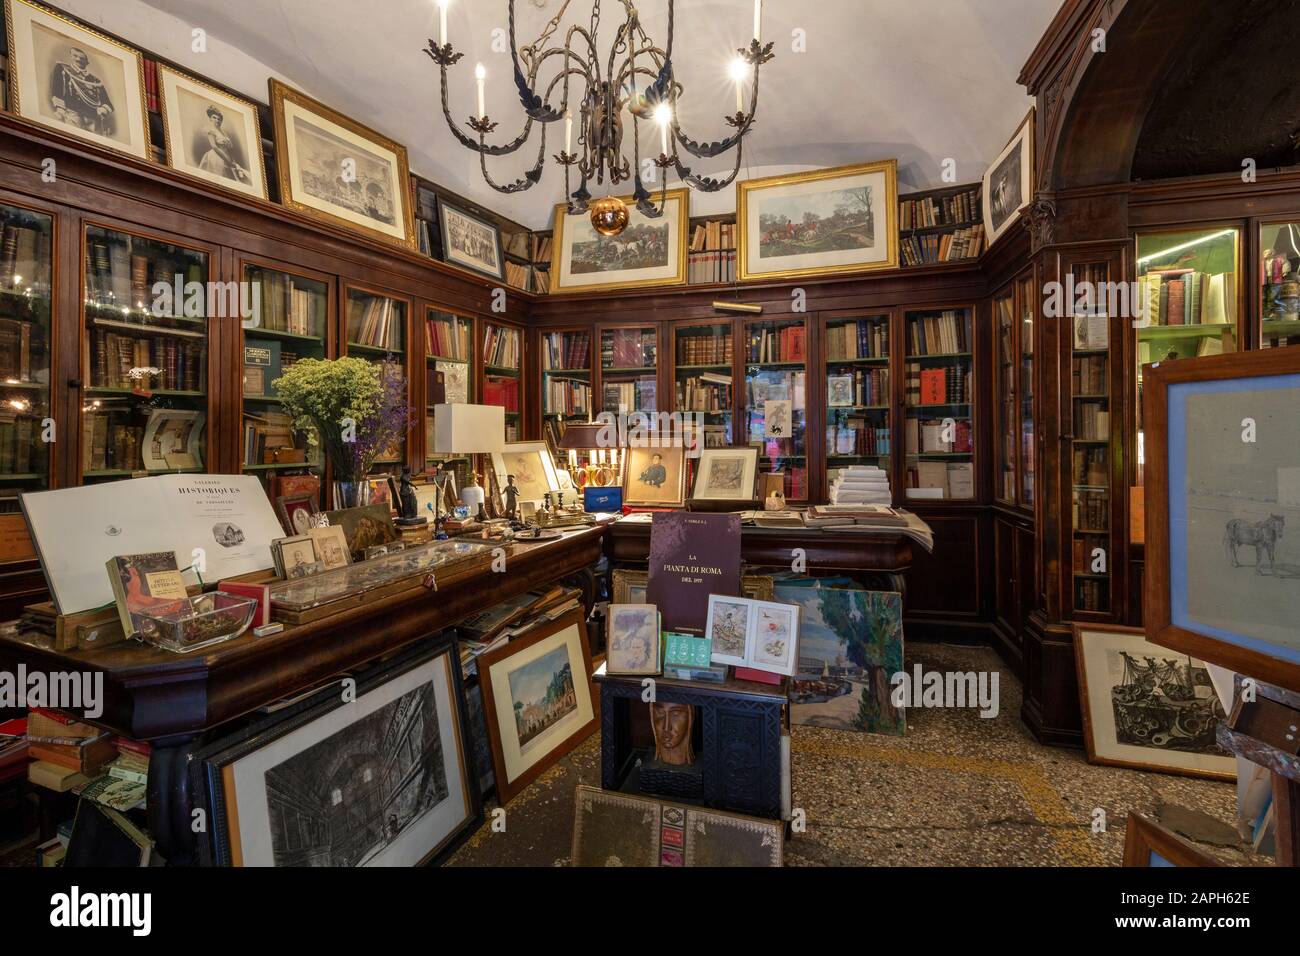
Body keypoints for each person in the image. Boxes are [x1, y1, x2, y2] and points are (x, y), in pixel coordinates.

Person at [49, 47, 114, 135]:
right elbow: (57, 89)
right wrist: (60, 109)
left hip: (93, 118)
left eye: (82, 58)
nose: (78, 59)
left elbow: (107, 103)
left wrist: (102, 110)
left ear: (87, 62)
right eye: (75, 56)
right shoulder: (63, 69)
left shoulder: (95, 81)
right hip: (72, 114)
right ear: (71, 56)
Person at [197, 105, 249, 183]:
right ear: (210, 118)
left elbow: (229, 148)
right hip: (216, 155)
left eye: (219, 119)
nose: (217, 120)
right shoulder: (210, 130)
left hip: (227, 155)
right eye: (214, 117)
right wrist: (226, 159)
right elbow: (214, 147)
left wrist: (232, 160)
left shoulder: (223, 132)